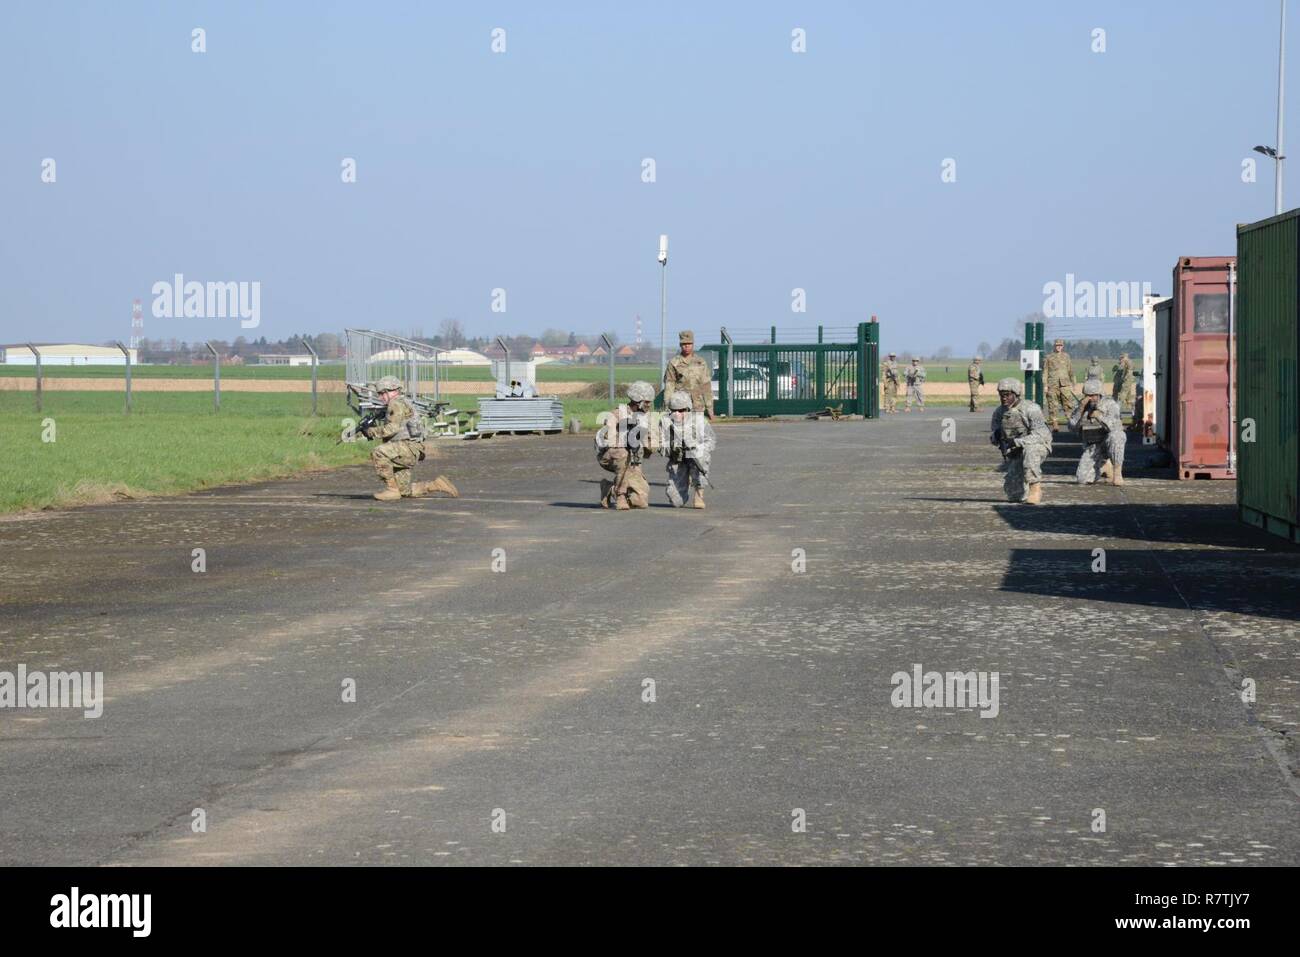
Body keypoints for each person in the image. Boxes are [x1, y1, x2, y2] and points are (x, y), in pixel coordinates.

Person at [364, 375, 458, 502]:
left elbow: (392, 428)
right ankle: (435, 485)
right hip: (410, 449)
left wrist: (371, 432)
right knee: (404, 491)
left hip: (406, 448)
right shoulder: (403, 402)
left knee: (378, 452)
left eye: (382, 393)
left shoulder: (395, 403)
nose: (380, 397)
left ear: (390, 391)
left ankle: (391, 490)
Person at [594, 380, 658, 510]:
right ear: (637, 401)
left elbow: (653, 448)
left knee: (640, 501)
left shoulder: (650, 418)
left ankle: (608, 488)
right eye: (646, 402)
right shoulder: (617, 414)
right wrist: (622, 435)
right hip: (612, 457)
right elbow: (603, 440)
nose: (649, 405)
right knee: (623, 454)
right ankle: (620, 495)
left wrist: (642, 438)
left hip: (634, 461)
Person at [989, 376, 1052, 505]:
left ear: (1016, 394)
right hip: (1016, 452)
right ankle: (1023, 489)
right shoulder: (999, 412)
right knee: (1013, 495)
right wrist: (996, 437)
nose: (1003, 398)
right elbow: (995, 436)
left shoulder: (1031, 409)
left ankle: (1035, 489)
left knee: (1031, 450)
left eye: (1007, 395)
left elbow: (1042, 435)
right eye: (1001, 395)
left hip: (1038, 447)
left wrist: (1017, 442)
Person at [662, 390, 716, 509]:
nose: (677, 413)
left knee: (701, 457)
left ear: (688, 409)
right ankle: (684, 482)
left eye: (681, 410)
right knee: (676, 502)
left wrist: (697, 448)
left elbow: (711, 441)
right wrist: (672, 449)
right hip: (678, 461)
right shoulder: (665, 423)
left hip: (695, 458)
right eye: (673, 410)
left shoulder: (700, 421)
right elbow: (661, 446)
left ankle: (699, 492)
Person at [1069, 379, 1125, 486]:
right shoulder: (1082, 406)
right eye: (1087, 395)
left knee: (1117, 436)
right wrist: (1080, 411)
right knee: (1082, 479)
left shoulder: (1110, 405)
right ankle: (1104, 466)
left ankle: (1117, 473)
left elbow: (1115, 427)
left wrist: (1099, 416)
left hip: (1108, 443)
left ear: (1099, 394)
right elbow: (1072, 427)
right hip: (1093, 446)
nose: (1090, 398)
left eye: (1093, 395)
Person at [663, 330, 714, 418]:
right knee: (680, 430)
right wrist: (667, 405)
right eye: (684, 344)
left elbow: (706, 386)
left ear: (693, 345)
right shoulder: (674, 363)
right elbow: (669, 385)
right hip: (680, 406)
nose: (686, 346)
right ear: (680, 345)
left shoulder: (700, 362)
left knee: (697, 430)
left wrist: (710, 408)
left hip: (697, 405)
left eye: (689, 344)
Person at [1042, 338, 1077, 431]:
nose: (1059, 347)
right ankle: (1055, 424)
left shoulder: (1066, 356)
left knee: (1068, 404)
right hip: (1052, 384)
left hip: (1065, 384)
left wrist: (1074, 383)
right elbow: (1045, 371)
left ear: (1063, 346)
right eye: (1057, 345)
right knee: (1053, 405)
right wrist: (1045, 385)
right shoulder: (1049, 357)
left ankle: (1071, 423)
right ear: (1054, 346)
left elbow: (1071, 370)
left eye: (1060, 345)